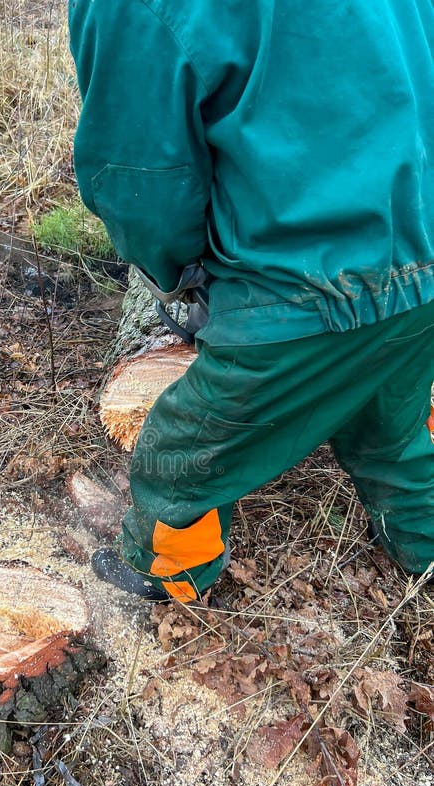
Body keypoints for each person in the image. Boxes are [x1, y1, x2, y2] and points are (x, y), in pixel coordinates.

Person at [68, 0, 434, 604]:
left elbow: (141, 181)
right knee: (394, 434)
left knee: (180, 455)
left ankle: (166, 573)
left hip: (307, 281)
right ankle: (423, 545)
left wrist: (181, 271)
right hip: (420, 250)